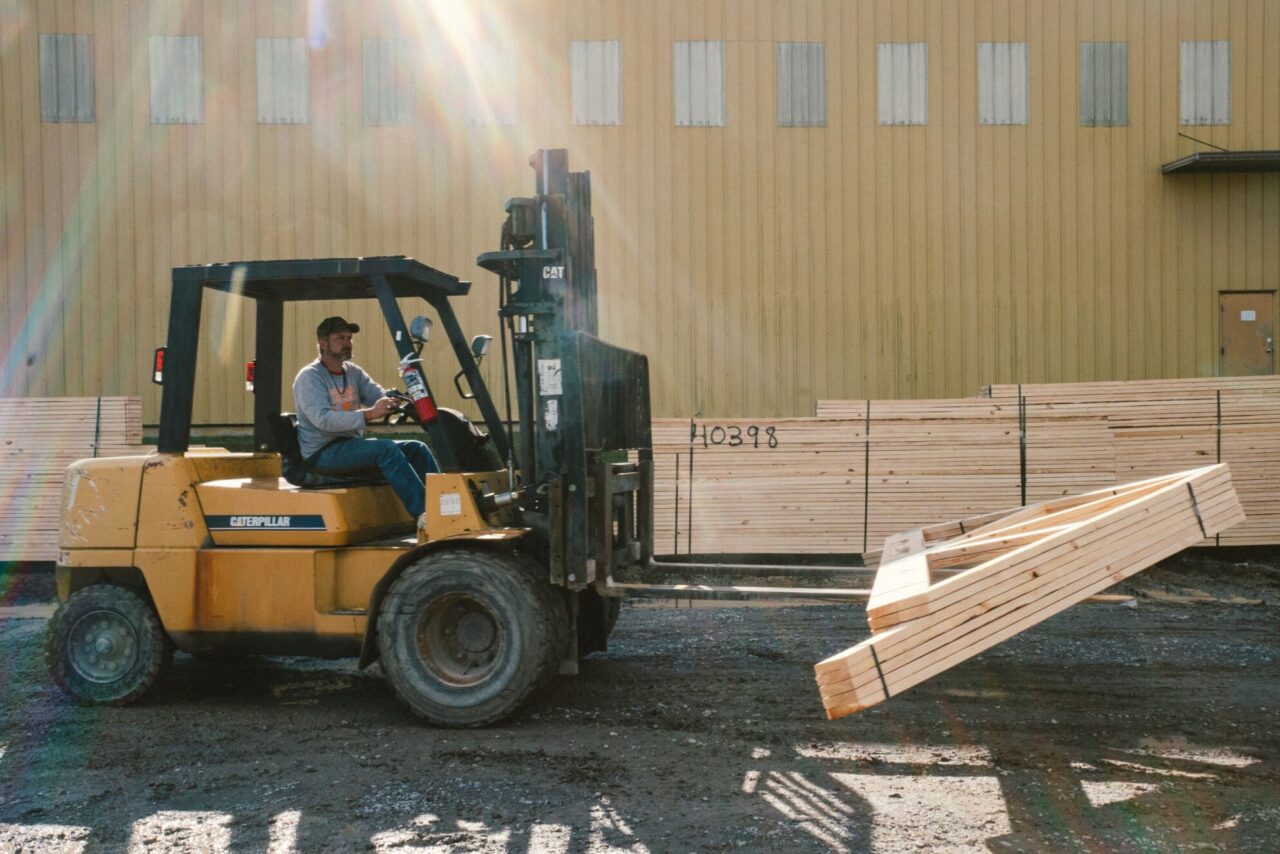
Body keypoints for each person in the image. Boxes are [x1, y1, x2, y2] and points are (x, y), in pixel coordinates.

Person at [292, 316, 438, 518]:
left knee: (417, 448)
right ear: (322, 343)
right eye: (340, 338)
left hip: (348, 445)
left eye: (349, 338)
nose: (347, 343)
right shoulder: (310, 377)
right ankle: (426, 515)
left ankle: (444, 506)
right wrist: (370, 413)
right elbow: (323, 420)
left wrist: (395, 400)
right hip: (322, 452)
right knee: (386, 450)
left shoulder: (352, 372)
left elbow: (376, 395)